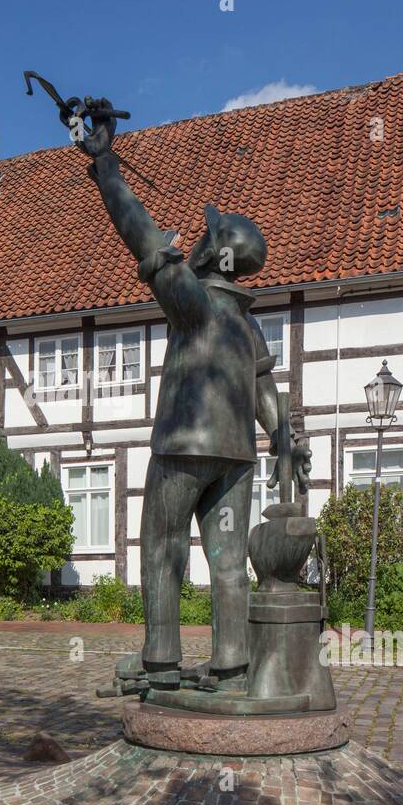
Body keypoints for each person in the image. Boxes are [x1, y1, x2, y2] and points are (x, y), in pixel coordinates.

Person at [77, 98, 312, 690]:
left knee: (163, 548)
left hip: (184, 447)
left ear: (211, 254)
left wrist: (107, 166)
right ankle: (230, 663)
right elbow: (268, 397)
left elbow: (140, 234)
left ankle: (160, 662)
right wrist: (284, 441)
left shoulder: (195, 302)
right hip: (235, 457)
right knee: (229, 563)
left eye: (202, 238)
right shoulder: (247, 324)